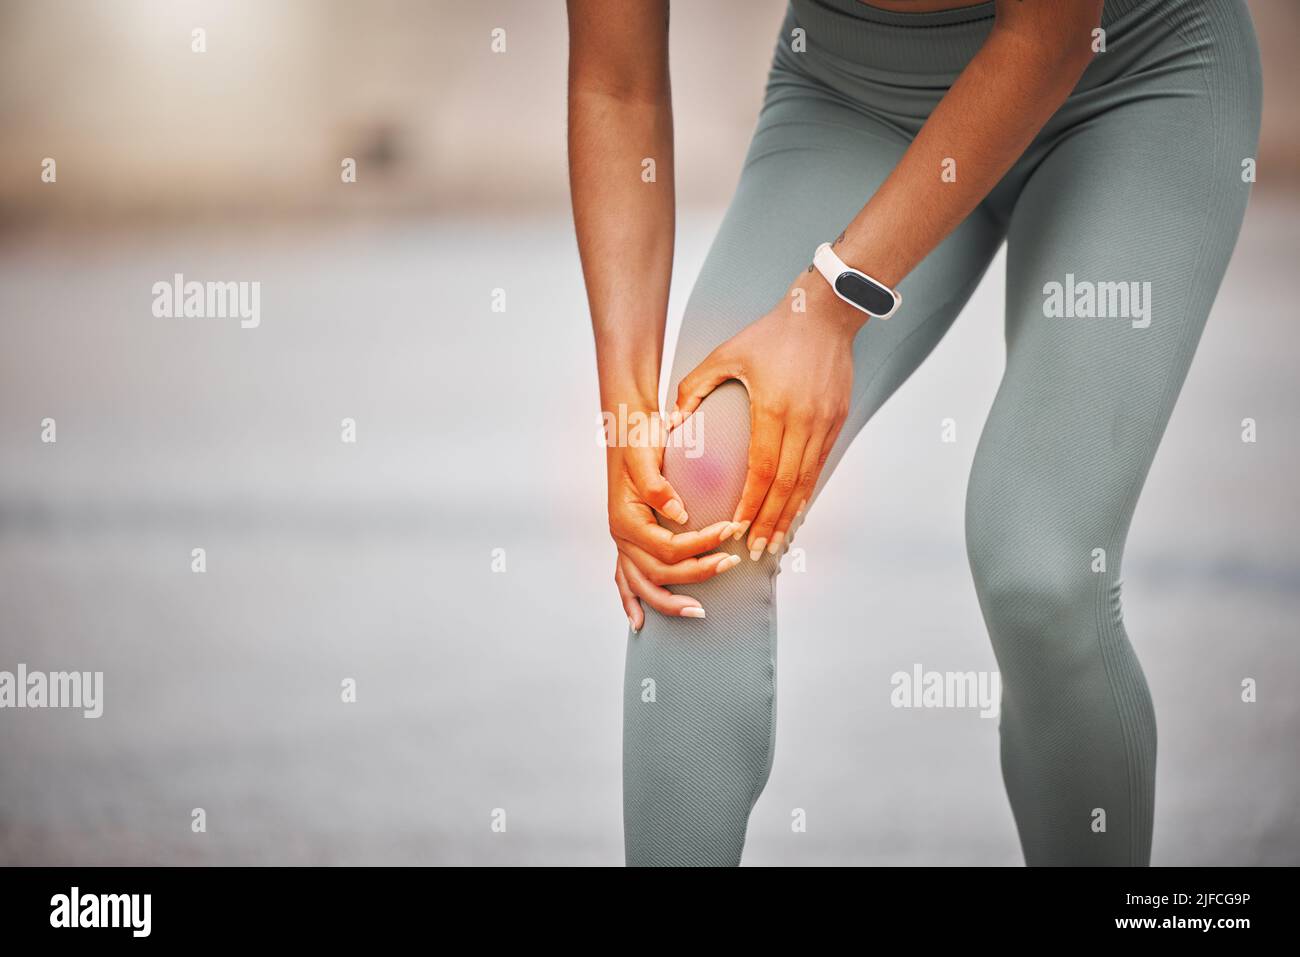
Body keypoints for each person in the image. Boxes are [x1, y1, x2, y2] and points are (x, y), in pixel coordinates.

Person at [566, 0, 1261, 866]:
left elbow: (1046, 37)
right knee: (698, 485)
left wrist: (824, 311)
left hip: (1133, 70)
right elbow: (617, 84)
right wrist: (628, 413)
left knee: (1040, 568)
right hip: (857, 94)